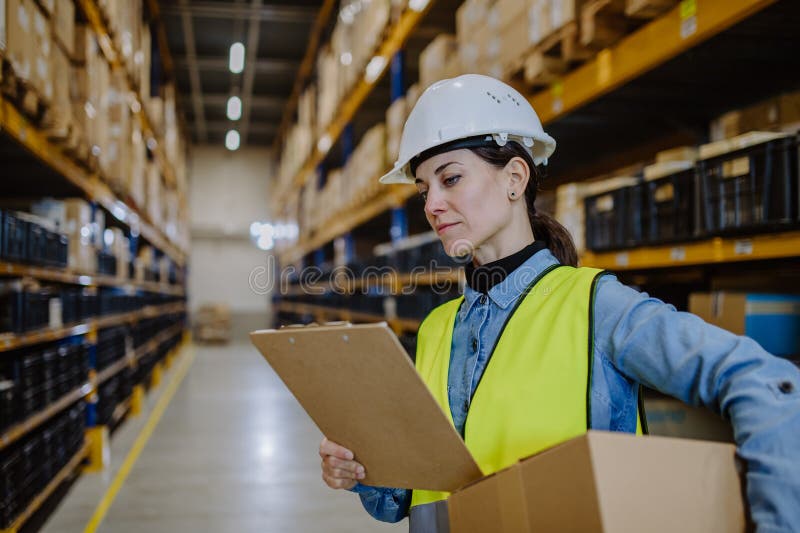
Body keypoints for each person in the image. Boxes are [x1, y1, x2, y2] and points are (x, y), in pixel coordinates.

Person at [317, 74, 800, 532]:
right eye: (424, 189)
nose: (431, 205)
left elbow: (770, 385)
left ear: (514, 177)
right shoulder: (437, 328)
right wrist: (360, 470)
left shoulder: (596, 306)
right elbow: (405, 498)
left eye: (451, 179)